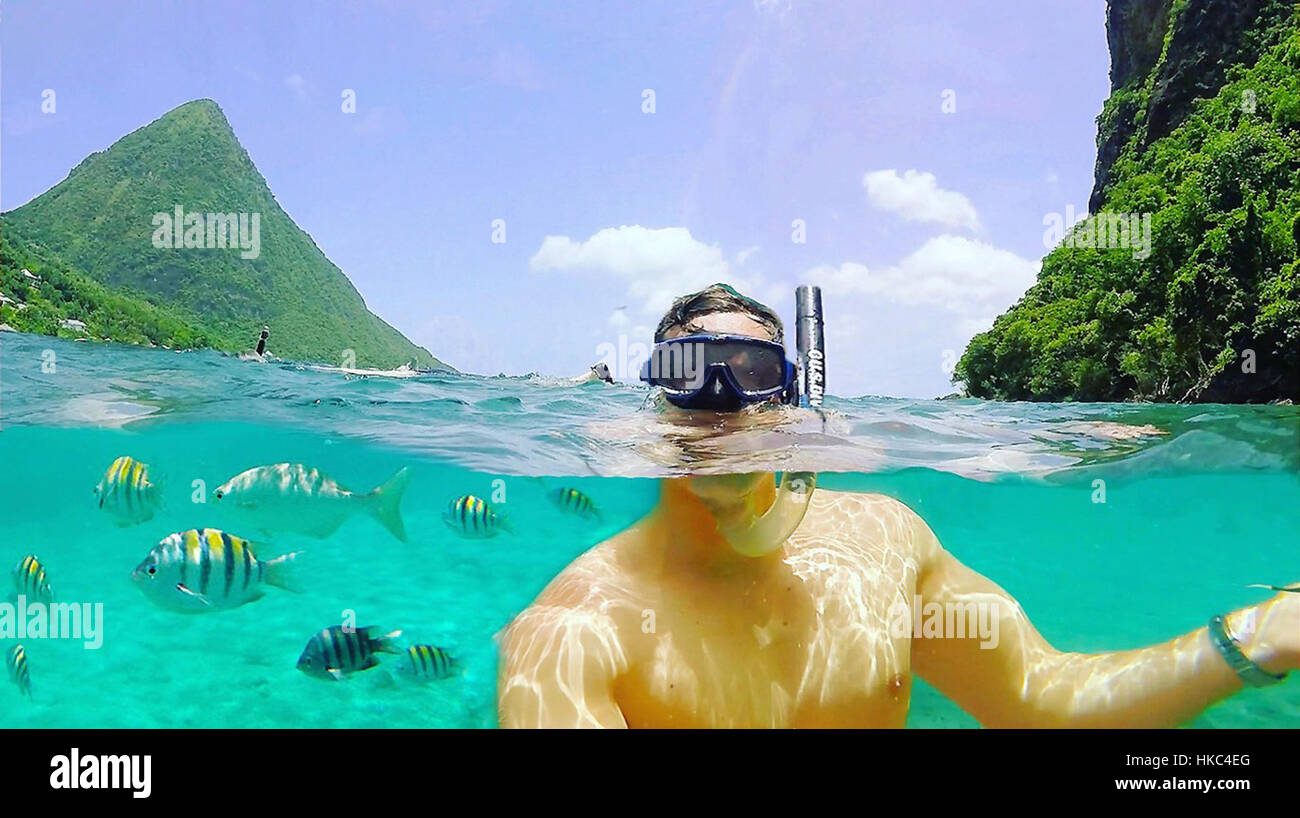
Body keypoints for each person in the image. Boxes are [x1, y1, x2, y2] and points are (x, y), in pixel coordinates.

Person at [497, 283, 1299, 728]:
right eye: (687, 373)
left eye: (748, 372)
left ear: (795, 395)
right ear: (652, 401)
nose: (720, 407)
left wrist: (1250, 642)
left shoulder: (885, 540)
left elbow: (1041, 700)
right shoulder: (573, 632)